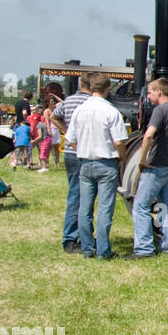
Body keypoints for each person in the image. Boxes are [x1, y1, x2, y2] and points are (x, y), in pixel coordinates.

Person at [64, 73, 129, 260]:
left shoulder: (80, 110)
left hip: (85, 163)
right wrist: (122, 158)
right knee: (104, 210)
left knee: (84, 209)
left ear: (91, 87)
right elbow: (118, 142)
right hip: (106, 163)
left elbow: (70, 140)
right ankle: (103, 250)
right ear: (108, 89)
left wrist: (81, 150)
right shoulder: (111, 111)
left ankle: (86, 249)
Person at [126, 78, 168, 258]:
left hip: (156, 166)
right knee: (167, 207)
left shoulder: (160, 110)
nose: (148, 96)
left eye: (150, 92)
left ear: (159, 92)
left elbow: (148, 136)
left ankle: (144, 250)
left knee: (141, 207)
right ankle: (167, 248)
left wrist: (142, 160)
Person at [52, 82, 92, 253]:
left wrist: (67, 131)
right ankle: (73, 238)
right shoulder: (91, 102)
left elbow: (53, 116)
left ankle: (74, 236)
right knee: (83, 197)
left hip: (69, 151)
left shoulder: (67, 101)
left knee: (74, 195)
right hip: (84, 151)